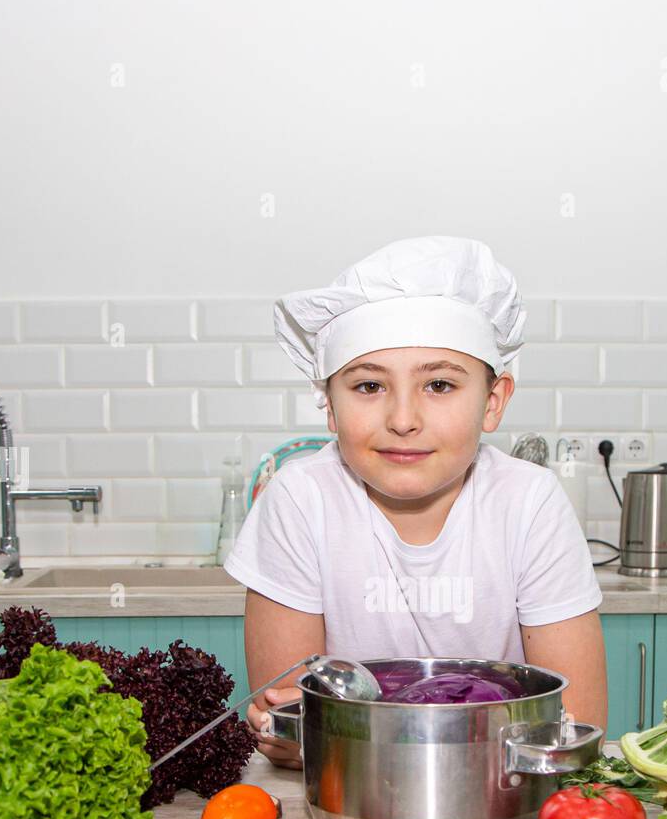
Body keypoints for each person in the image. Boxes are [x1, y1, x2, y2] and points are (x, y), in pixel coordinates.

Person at [223, 235, 607, 768]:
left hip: (498, 791)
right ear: (329, 407)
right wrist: (286, 731)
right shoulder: (301, 498)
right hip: (349, 799)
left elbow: (575, 722)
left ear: (492, 402)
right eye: (368, 387)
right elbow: (294, 726)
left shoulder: (529, 501)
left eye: (441, 385)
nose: (403, 419)